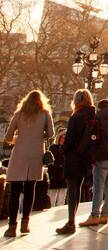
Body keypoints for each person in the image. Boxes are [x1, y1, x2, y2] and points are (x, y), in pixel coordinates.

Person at [2, 90, 54, 238]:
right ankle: (25, 223)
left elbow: (8, 136)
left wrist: (20, 137)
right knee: (30, 189)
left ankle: (12, 226)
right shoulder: (45, 114)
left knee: (15, 191)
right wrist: (40, 135)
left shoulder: (19, 114)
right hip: (35, 155)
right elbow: (51, 134)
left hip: (19, 154)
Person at [56, 89, 96, 236]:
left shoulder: (76, 116)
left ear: (76, 100)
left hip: (73, 158)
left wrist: (62, 149)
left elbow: (70, 139)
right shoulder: (93, 115)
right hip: (85, 158)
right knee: (77, 190)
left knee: (72, 190)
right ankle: (71, 220)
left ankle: (71, 222)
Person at [81, 98, 108, 227]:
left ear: (100, 108)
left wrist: (93, 155)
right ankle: (105, 214)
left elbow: (93, 138)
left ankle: (94, 215)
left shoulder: (98, 119)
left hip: (101, 158)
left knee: (98, 187)